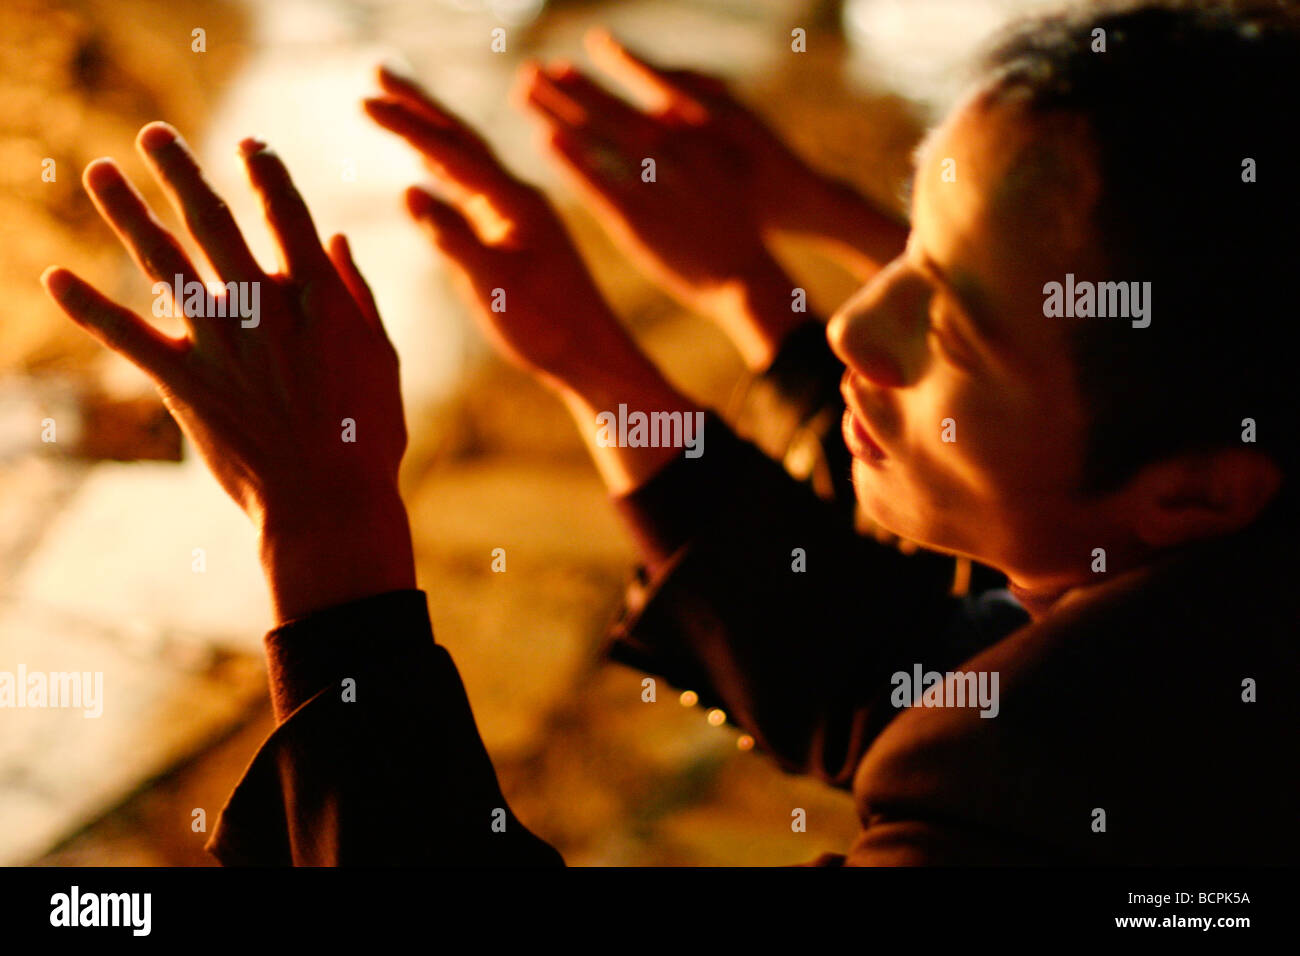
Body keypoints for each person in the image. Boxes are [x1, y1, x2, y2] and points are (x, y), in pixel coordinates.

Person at [41, 0, 1298, 865]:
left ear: (1195, 494)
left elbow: (938, 703)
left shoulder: (1075, 796)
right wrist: (599, 356)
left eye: (957, 328)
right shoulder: (1183, 590)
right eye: (900, 239)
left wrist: (326, 528)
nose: (849, 318)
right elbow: (909, 656)